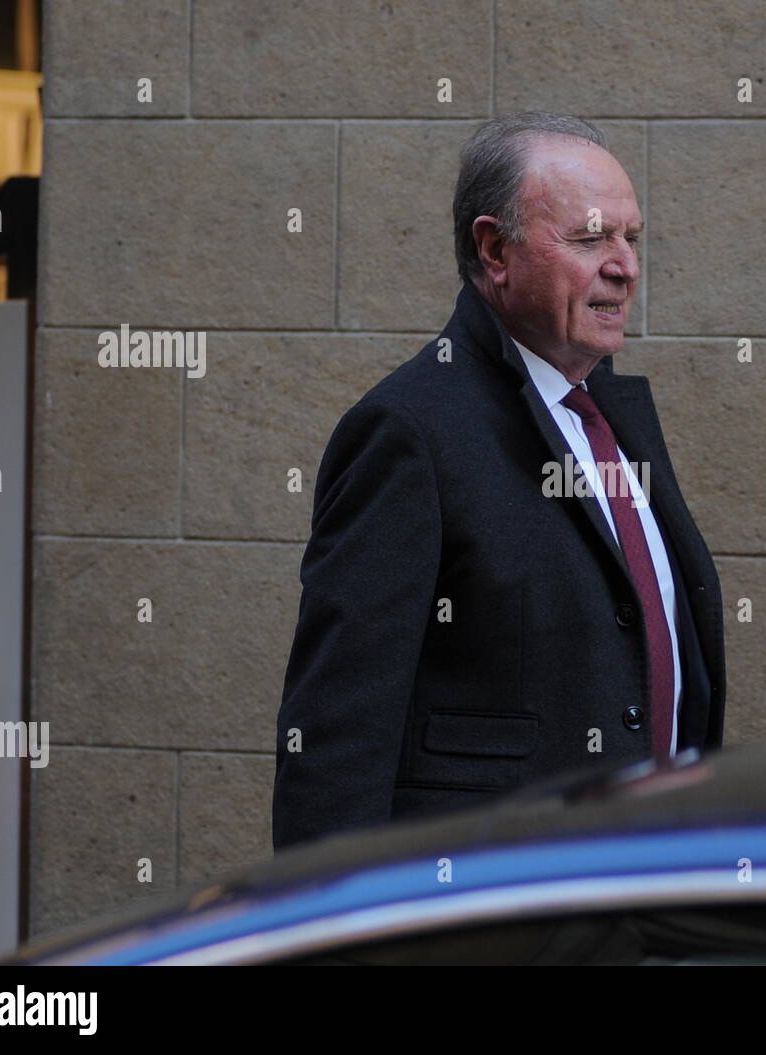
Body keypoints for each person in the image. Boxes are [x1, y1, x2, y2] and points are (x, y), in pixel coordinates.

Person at [272, 111, 726, 851]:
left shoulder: (613, 414)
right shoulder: (410, 431)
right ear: (495, 249)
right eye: (590, 238)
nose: (625, 266)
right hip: (493, 909)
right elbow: (336, 738)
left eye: (631, 238)